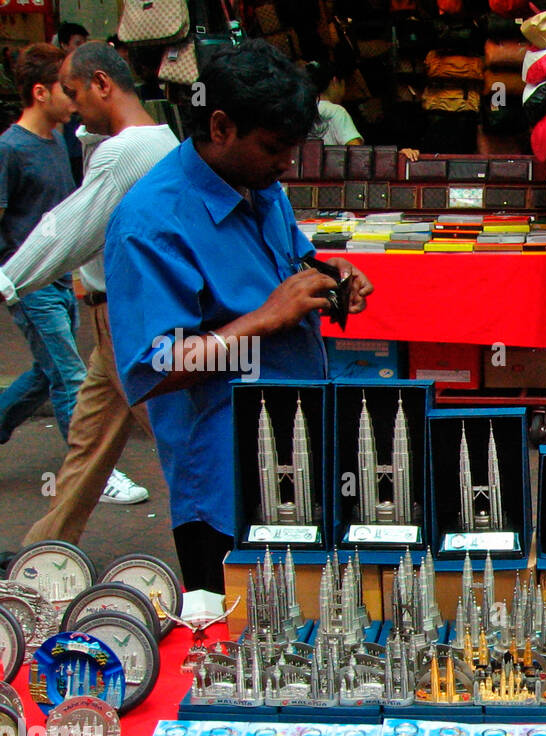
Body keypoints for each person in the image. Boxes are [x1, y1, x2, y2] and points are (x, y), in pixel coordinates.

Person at [106, 41, 373, 594]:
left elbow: (288, 260)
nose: (286, 165)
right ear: (221, 127)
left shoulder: (260, 186)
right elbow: (154, 367)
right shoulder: (152, 223)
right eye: (275, 147)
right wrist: (266, 318)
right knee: (239, 642)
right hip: (226, 482)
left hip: (299, 448)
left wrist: (327, 276)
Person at [0, 42, 180, 548]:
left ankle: (227, 554)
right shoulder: (155, 138)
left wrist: (6, 281)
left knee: (180, 450)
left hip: (127, 325)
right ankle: (44, 554)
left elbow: (66, 228)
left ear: (103, 84)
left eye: (77, 93)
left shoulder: (126, 150)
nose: (73, 107)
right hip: (114, 324)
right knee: (87, 448)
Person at [0, 45, 84, 456]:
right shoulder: (10, 149)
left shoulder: (55, 141)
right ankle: (89, 472)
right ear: (39, 92)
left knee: (45, 371)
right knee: (71, 377)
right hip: (31, 284)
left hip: (60, 279)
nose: (74, 98)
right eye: (65, 89)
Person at [56, 24, 87, 184]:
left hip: (83, 147)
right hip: (69, 149)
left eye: (84, 43)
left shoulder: (85, 73)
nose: (81, 49)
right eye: (77, 43)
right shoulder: (57, 76)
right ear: (64, 45)